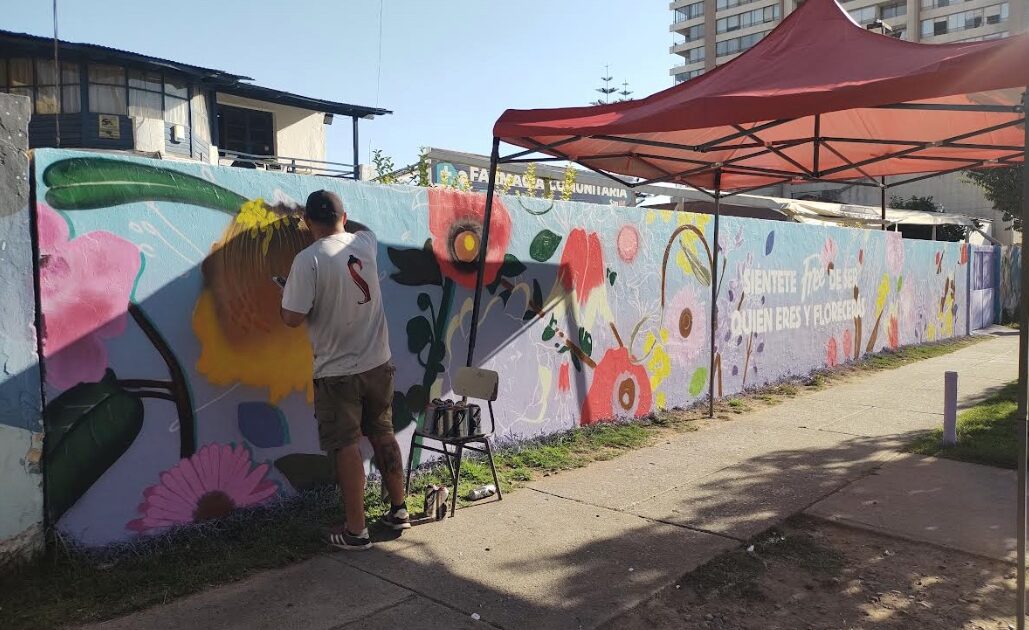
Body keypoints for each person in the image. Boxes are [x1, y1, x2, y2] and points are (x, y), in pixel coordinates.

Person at [279, 189, 409, 551]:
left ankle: (356, 531)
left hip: (337, 372)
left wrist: (285, 295)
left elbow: (291, 319)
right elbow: (360, 228)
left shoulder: (308, 260)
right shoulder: (365, 243)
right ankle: (399, 510)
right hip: (378, 362)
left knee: (346, 446)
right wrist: (345, 222)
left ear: (307, 222)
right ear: (345, 216)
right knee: (383, 433)